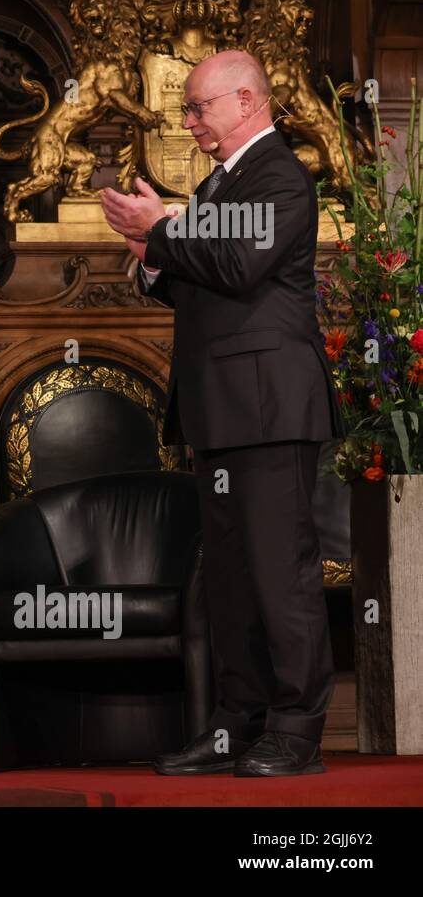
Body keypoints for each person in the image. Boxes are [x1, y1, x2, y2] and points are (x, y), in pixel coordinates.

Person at [99, 49, 344, 776]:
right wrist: (149, 250)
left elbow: (237, 264)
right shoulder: (219, 183)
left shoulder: (281, 176)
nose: (190, 121)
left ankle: (296, 730)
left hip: (269, 407)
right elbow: (200, 282)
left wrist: (167, 232)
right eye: (187, 109)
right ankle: (237, 722)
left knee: (279, 573)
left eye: (199, 107)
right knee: (230, 579)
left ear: (247, 101)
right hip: (221, 409)